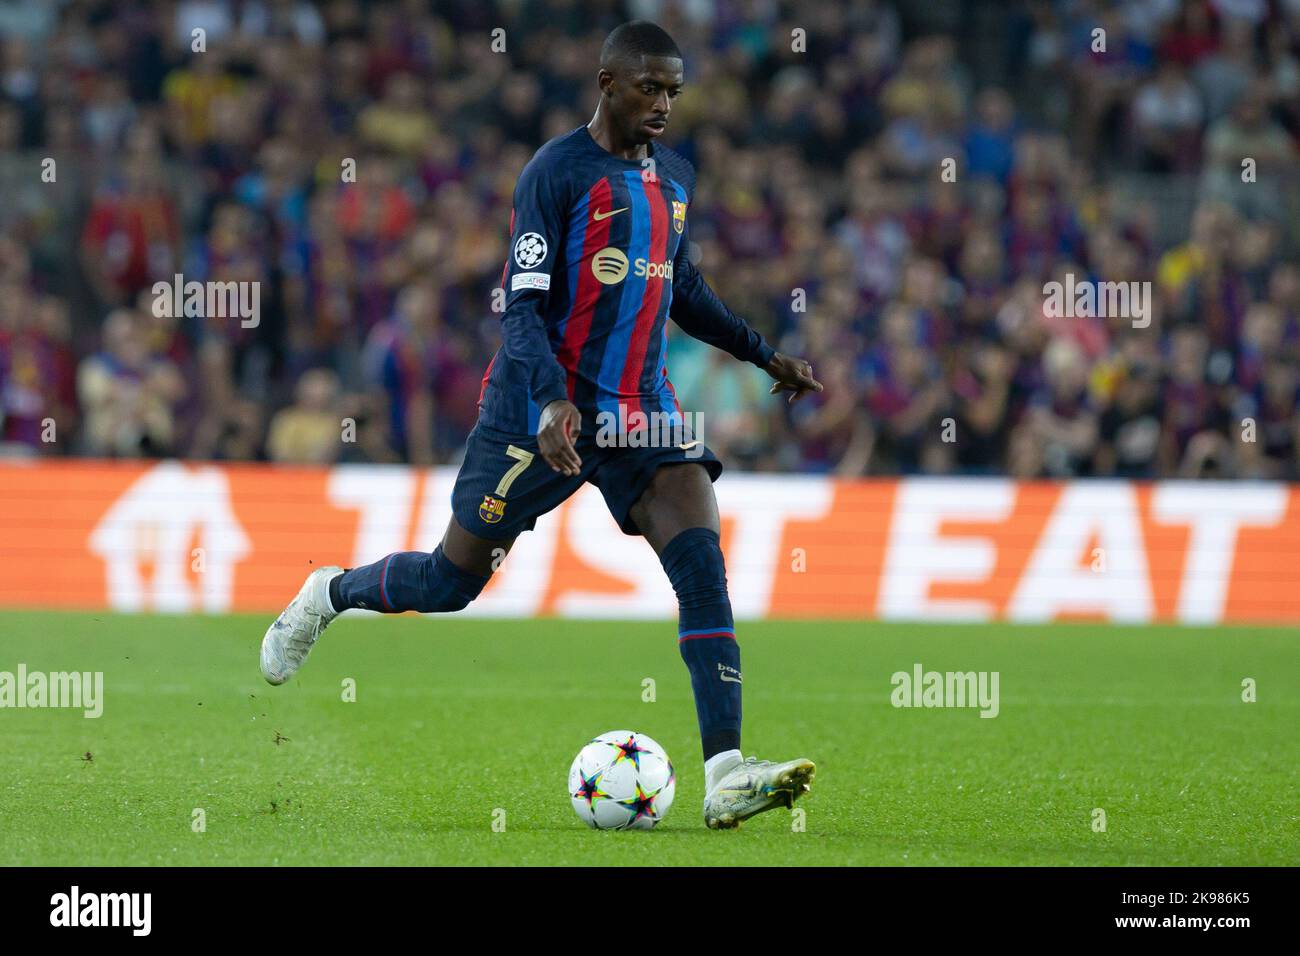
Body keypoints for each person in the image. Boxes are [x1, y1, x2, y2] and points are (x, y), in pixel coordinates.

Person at [259, 20, 822, 829]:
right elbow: (521, 309)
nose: (663, 104)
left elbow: (683, 289)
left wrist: (767, 357)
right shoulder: (555, 174)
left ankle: (727, 770)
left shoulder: (676, 179)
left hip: (641, 417)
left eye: (674, 91)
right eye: (649, 87)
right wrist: (554, 401)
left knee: (702, 563)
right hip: (534, 413)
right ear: (607, 83)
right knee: (448, 583)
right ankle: (329, 594)